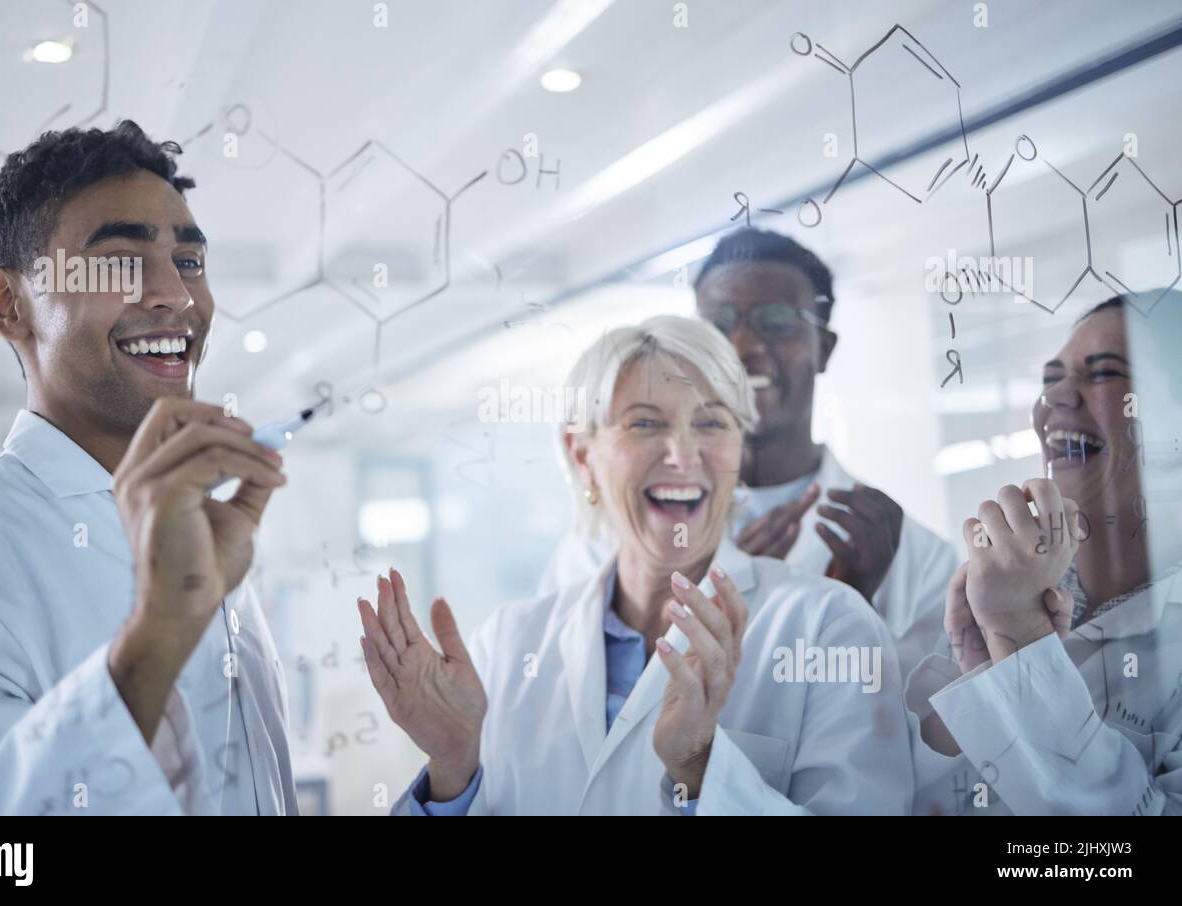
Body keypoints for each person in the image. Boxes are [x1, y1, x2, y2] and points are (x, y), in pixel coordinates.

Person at [0, 122, 295, 814]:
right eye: (121, 261)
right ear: (8, 304)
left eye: (189, 262)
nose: (176, 295)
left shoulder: (205, 532)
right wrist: (154, 642)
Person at [358, 316, 912, 815]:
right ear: (582, 455)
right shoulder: (507, 646)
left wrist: (700, 768)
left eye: (712, 423)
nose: (681, 454)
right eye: (645, 424)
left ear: (740, 450)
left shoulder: (830, 629)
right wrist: (454, 767)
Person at [540, 229, 957, 673]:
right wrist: (717, 580)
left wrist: (851, 610)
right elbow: (573, 704)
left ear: (824, 349)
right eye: (719, 324)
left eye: (776, 322)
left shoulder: (915, 554)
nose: (740, 348)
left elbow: (922, 731)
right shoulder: (605, 539)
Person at [908, 295, 1182, 815]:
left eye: (1102, 374)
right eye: (1050, 377)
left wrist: (1024, 643)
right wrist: (993, 668)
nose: (1054, 397)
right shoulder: (994, 597)